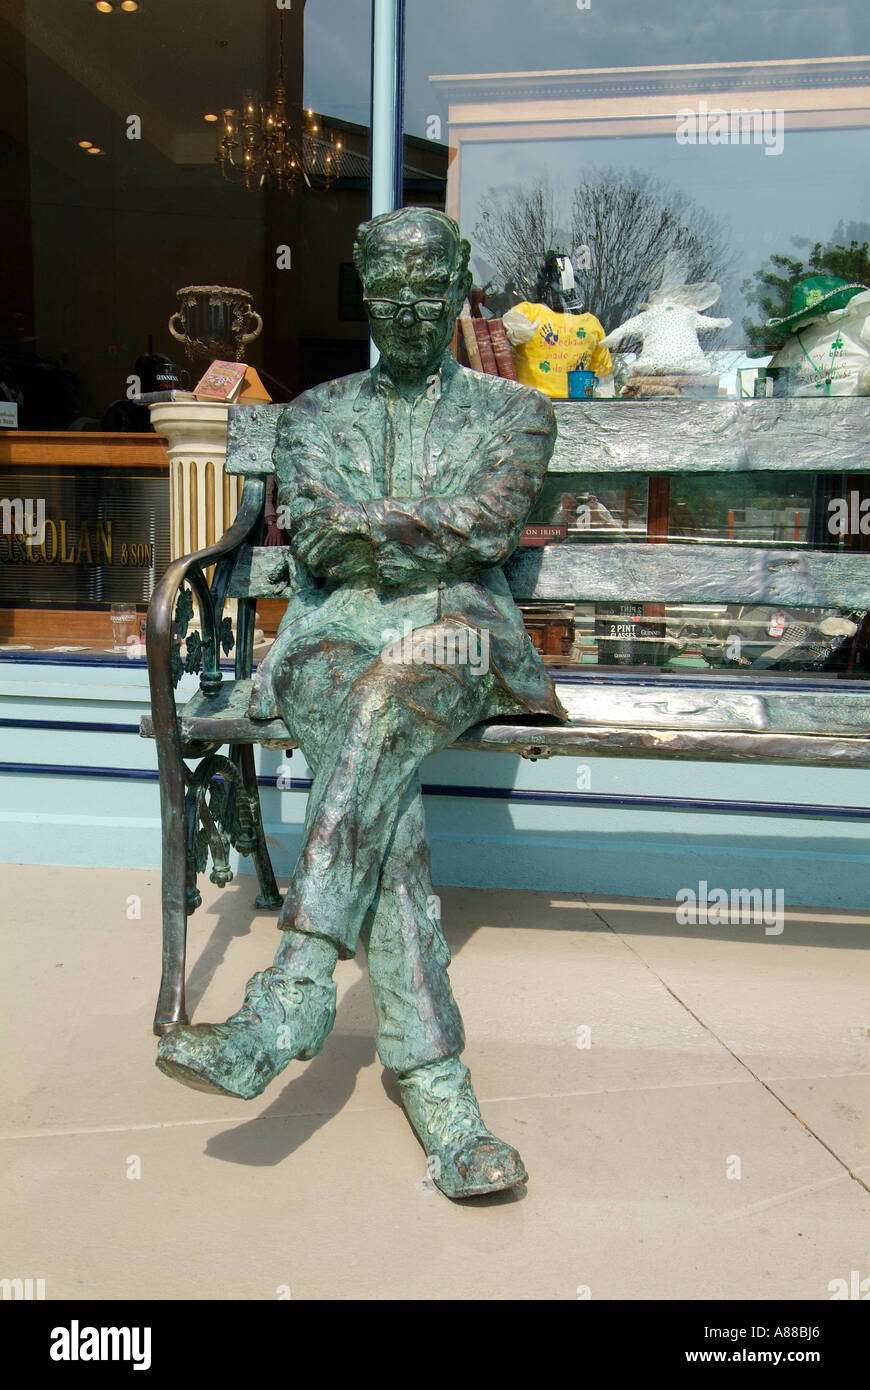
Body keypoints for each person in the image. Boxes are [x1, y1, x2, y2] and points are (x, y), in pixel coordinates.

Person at [156, 207, 568, 1198]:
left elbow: (483, 529)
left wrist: (380, 530)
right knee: (375, 749)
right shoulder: (312, 416)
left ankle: (294, 996)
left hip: (459, 637)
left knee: (383, 706)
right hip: (325, 644)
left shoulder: (515, 413)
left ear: (462, 286)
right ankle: (434, 1085)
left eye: (433, 293)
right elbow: (320, 545)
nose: (414, 313)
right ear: (367, 298)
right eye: (392, 297)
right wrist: (405, 532)